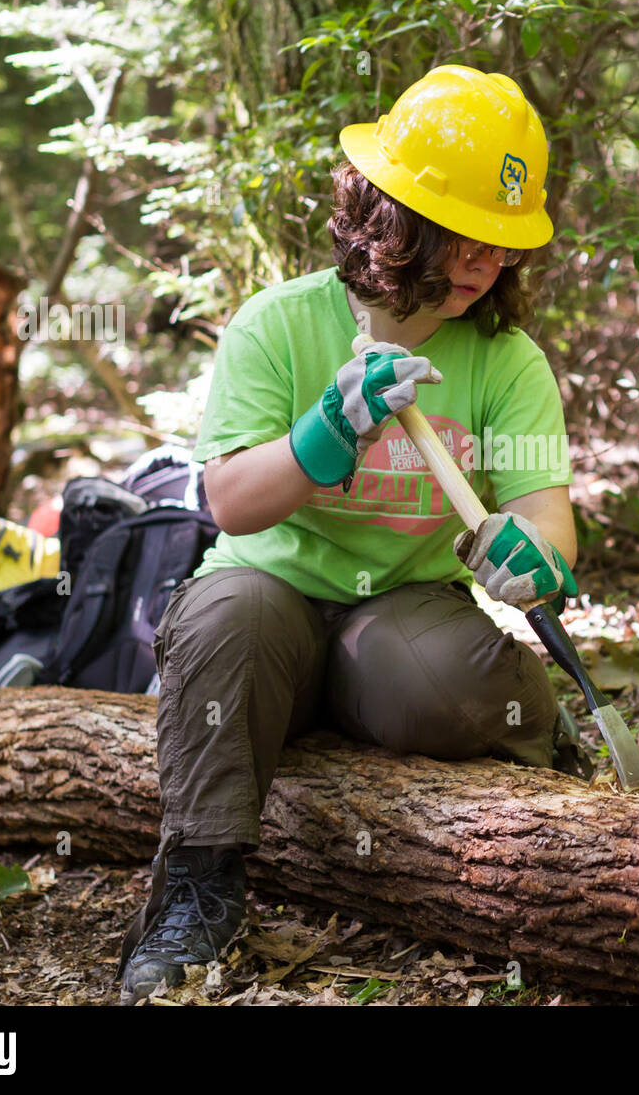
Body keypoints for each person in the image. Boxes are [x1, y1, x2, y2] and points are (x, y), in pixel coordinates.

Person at [117, 64, 589, 1004]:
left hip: (406, 609)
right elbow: (230, 503)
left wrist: (538, 556)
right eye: (461, 236)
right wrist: (327, 434)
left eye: (501, 245)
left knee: (436, 683)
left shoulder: (506, 359)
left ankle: (535, 722)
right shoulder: (277, 325)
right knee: (228, 627)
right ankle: (200, 888)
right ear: (390, 216)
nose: (483, 265)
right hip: (269, 592)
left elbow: (546, 508)